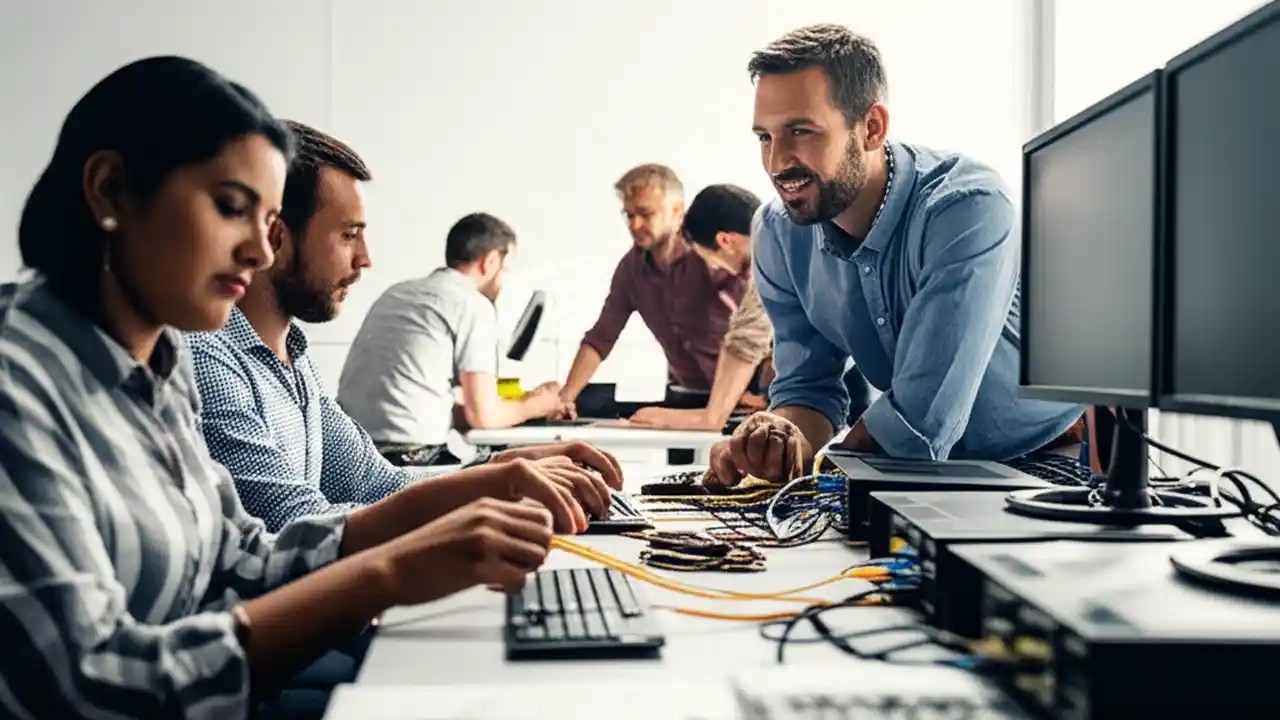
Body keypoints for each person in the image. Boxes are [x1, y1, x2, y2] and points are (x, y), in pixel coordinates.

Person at [0, 56, 615, 719]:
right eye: (232, 209)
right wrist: (391, 572)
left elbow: (242, 560)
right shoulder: (20, 375)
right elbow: (87, 687)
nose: (262, 254)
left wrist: (489, 480)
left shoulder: (158, 356)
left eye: (268, 223)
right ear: (111, 190)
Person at [707, 25, 1082, 487]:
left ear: (871, 128)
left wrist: (815, 472)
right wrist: (775, 444)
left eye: (800, 131)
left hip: (1052, 462)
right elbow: (809, 390)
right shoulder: (779, 233)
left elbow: (917, 422)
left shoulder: (967, 207)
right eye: (765, 137)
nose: (777, 162)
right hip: (901, 464)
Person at [190, 127, 613, 532]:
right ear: (277, 236)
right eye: (348, 235)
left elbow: (376, 484)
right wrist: (495, 484)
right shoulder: (210, 360)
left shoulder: (294, 359)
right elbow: (298, 524)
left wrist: (501, 470)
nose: (365, 258)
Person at [337, 213, 563, 465]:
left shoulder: (397, 293)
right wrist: (539, 406)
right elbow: (483, 416)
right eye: (504, 269)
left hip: (350, 453)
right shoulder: (472, 304)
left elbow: (409, 403)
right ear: (489, 262)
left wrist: (523, 402)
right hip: (409, 458)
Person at [556, 164, 750, 417]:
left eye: (646, 214)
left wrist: (765, 391)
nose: (635, 224)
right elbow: (601, 337)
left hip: (743, 397)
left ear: (677, 210)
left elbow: (761, 324)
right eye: (629, 215)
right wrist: (565, 399)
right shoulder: (631, 269)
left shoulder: (713, 253)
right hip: (683, 395)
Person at [628, 183, 773, 431]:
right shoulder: (786, 236)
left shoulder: (771, 261)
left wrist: (709, 416)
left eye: (712, 259)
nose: (717, 268)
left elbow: (746, 337)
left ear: (725, 240)